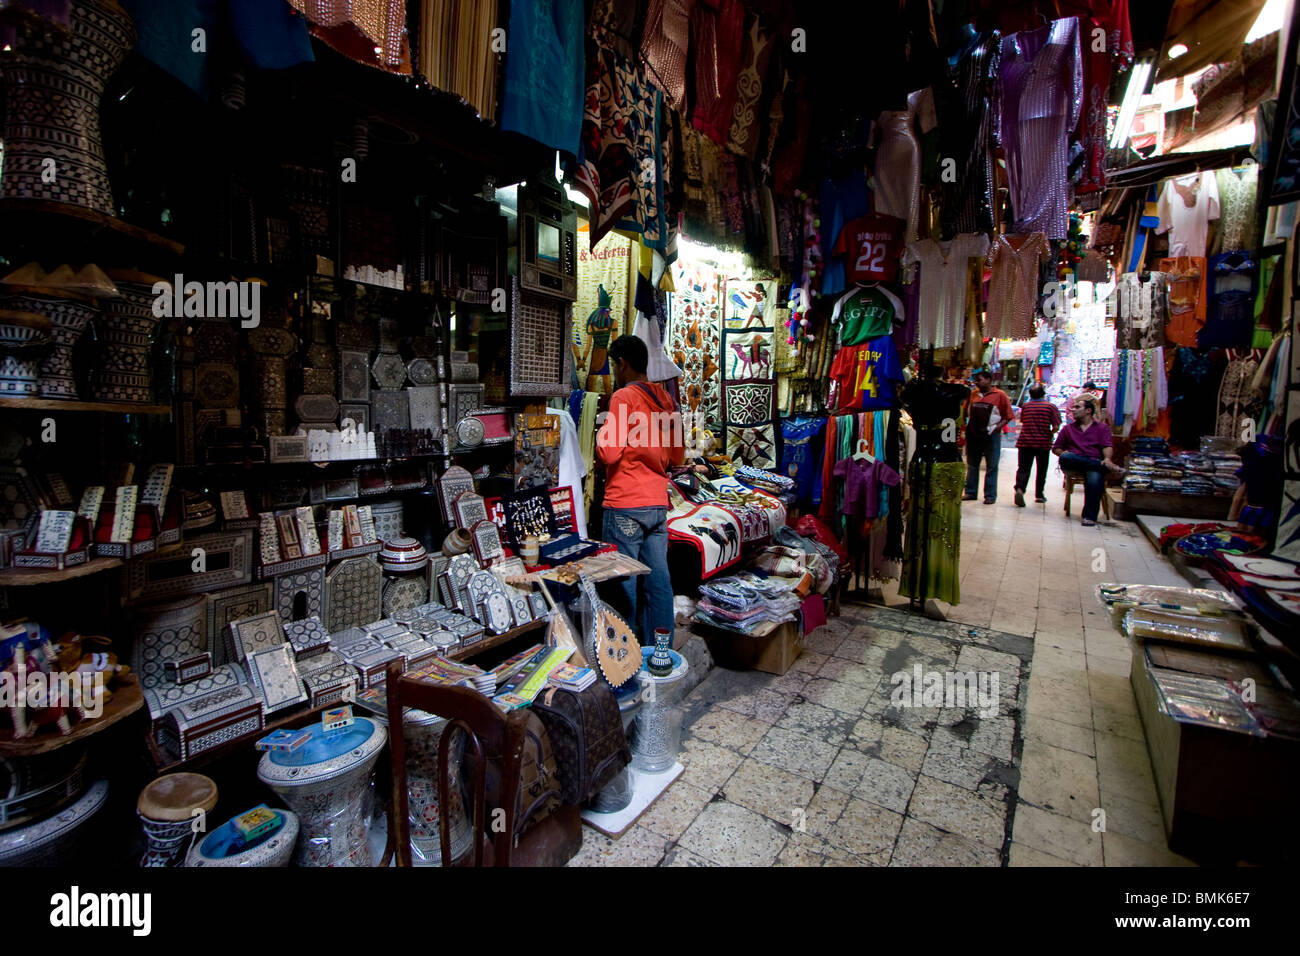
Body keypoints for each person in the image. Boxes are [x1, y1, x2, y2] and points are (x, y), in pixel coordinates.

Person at [596, 334, 684, 642]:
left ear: (623, 363)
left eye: (614, 365)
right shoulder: (665, 399)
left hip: (625, 504)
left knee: (622, 585)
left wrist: (599, 435)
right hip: (656, 505)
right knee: (658, 583)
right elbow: (677, 456)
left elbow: (609, 453)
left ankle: (625, 661)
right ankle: (661, 656)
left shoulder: (624, 397)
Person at [1053, 395, 1124, 526]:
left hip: (1092, 465)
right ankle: (1105, 466)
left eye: (1077, 407)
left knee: (1094, 479)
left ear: (1088, 411)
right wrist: (1063, 453)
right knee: (1066, 456)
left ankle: (1089, 516)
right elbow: (1056, 448)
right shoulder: (1068, 429)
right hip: (1073, 463)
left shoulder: (1101, 428)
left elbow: (1107, 446)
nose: (1073, 410)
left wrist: (1107, 458)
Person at [963, 370, 1014, 504]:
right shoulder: (973, 394)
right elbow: (965, 412)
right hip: (973, 435)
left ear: (988, 380)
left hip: (991, 436)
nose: (977, 383)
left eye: (979, 380)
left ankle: (990, 496)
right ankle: (970, 492)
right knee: (972, 464)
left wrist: (997, 427)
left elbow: (1008, 416)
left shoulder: (1000, 395)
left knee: (992, 465)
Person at [1014, 383, 1062, 507]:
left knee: (1023, 468)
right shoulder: (1050, 407)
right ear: (1043, 393)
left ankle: (1020, 489)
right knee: (1041, 469)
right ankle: (1039, 495)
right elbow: (1056, 426)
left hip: (1025, 442)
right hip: (1042, 443)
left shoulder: (1026, 406)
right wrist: (1051, 433)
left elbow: (1023, 421)